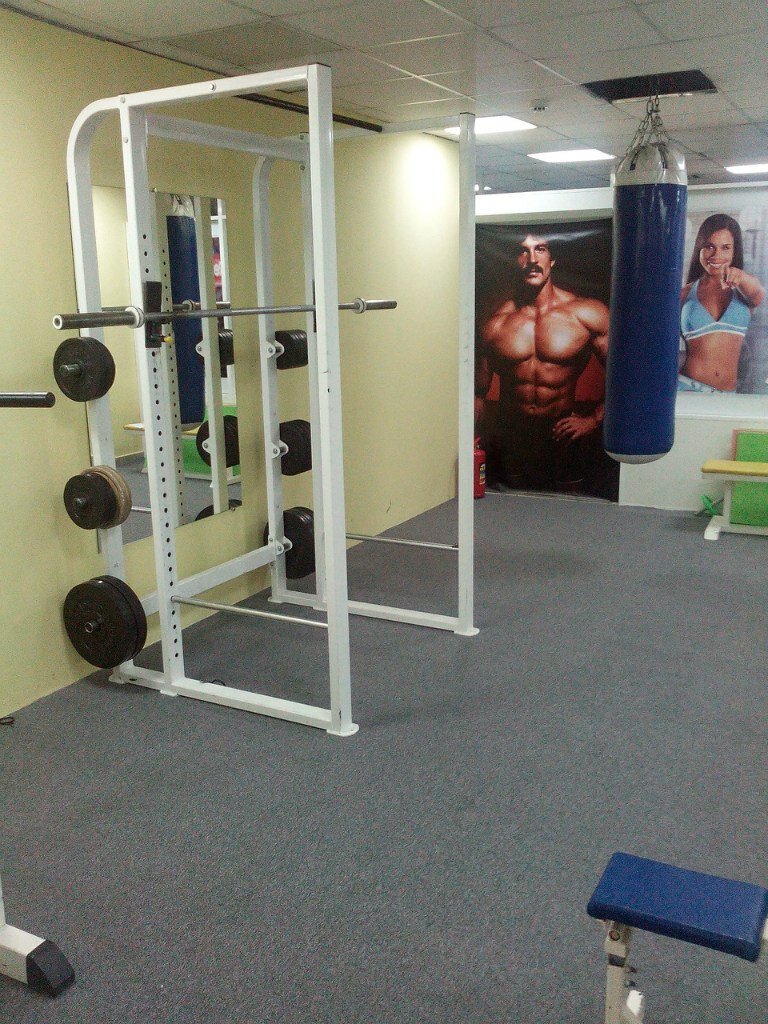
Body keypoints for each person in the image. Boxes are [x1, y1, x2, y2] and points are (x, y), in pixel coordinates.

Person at [476, 233, 609, 491]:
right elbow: (478, 393)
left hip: (563, 437)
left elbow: (624, 377)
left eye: (540, 249)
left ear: (552, 259)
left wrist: (593, 420)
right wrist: (472, 442)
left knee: (566, 507)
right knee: (509, 507)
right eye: (523, 251)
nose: (532, 259)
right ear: (514, 260)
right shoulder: (494, 323)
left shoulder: (586, 313)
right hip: (512, 438)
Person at [679, 213, 765, 393]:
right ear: (699, 248)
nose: (716, 255)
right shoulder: (683, 294)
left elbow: (758, 293)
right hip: (687, 389)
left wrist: (740, 277)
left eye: (725, 247)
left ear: (734, 251)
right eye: (709, 246)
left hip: (727, 396)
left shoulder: (745, 289)